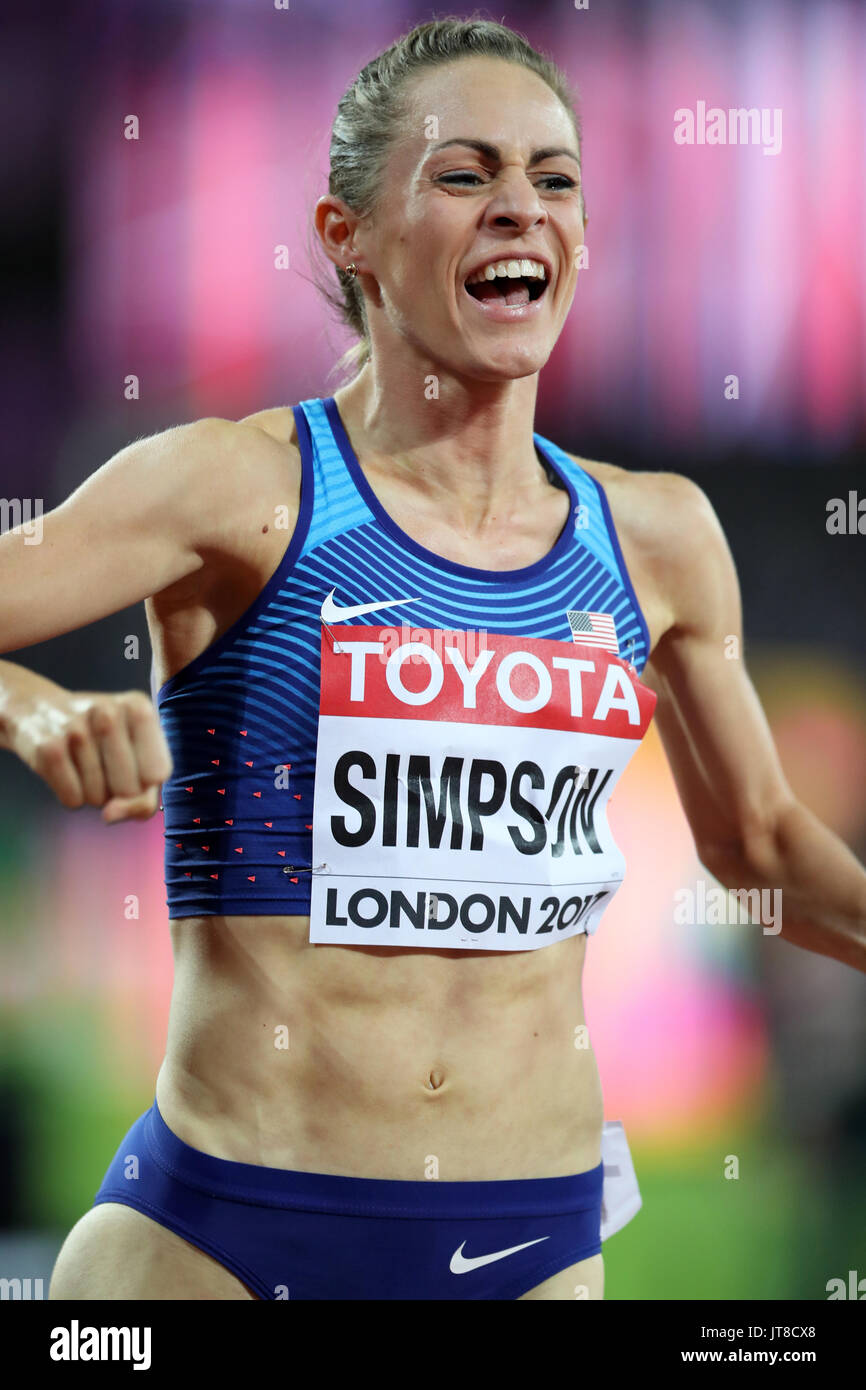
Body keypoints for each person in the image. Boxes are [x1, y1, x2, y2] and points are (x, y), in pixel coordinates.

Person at [1, 16, 864, 1302]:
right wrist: (29, 710)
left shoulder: (660, 536)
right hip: (219, 1237)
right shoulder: (233, 486)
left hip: (529, 1248)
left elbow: (758, 847)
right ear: (346, 235)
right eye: (462, 175)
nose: (520, 208)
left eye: (553, 178)